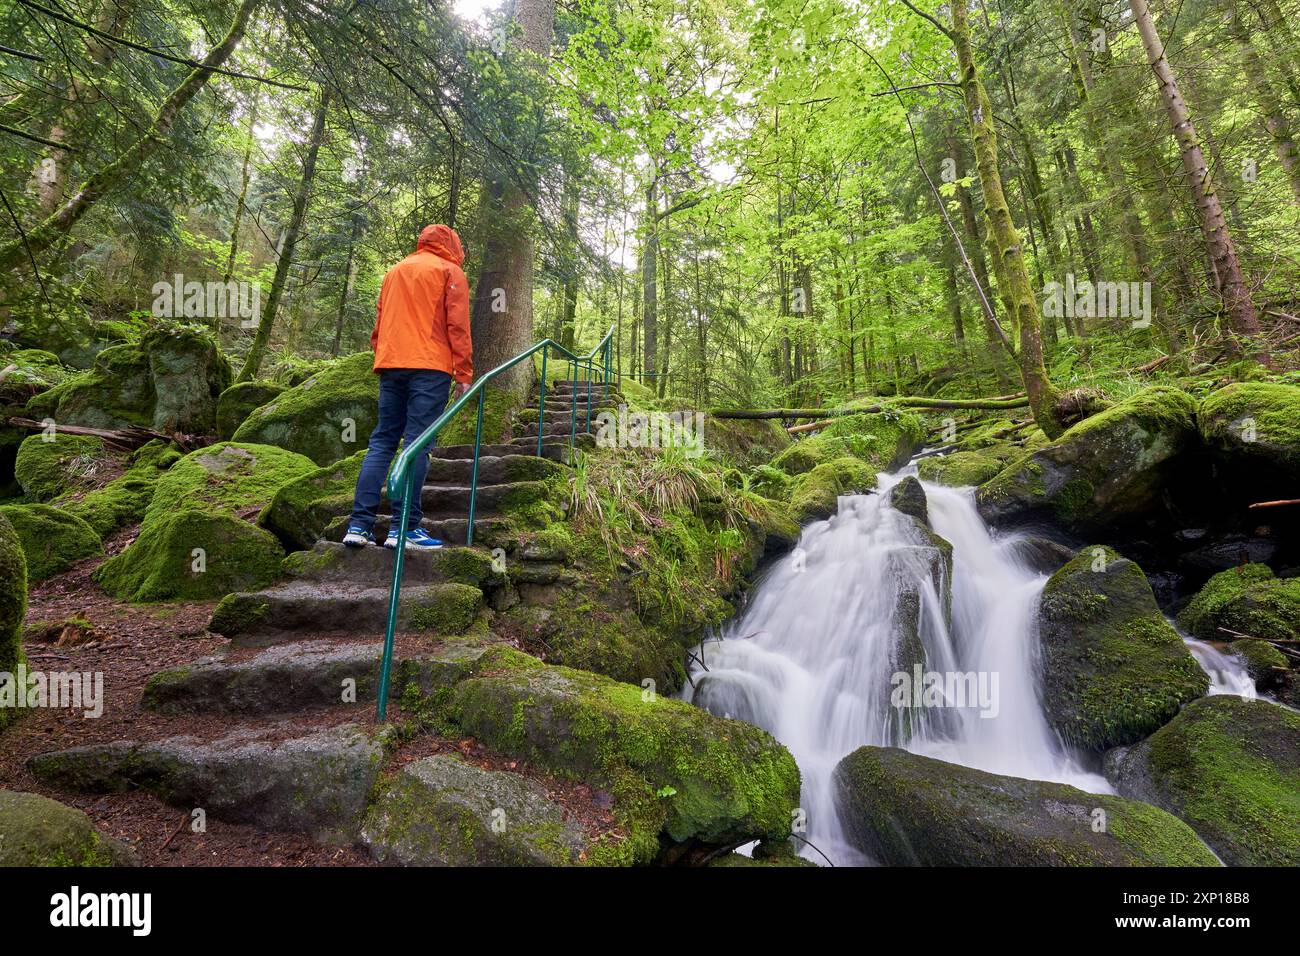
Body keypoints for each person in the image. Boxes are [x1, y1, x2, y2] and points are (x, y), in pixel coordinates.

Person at [343, 224, 473, 551]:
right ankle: (405, 528)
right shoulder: (450, 271)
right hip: (430, 368)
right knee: (416, 444)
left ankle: (359, 525)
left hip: (392, 364)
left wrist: (385, 354)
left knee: (383, 441)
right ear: (453, 246)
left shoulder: (395, 272)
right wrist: (464, 373)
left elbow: (379, 324)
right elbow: (457, 325)